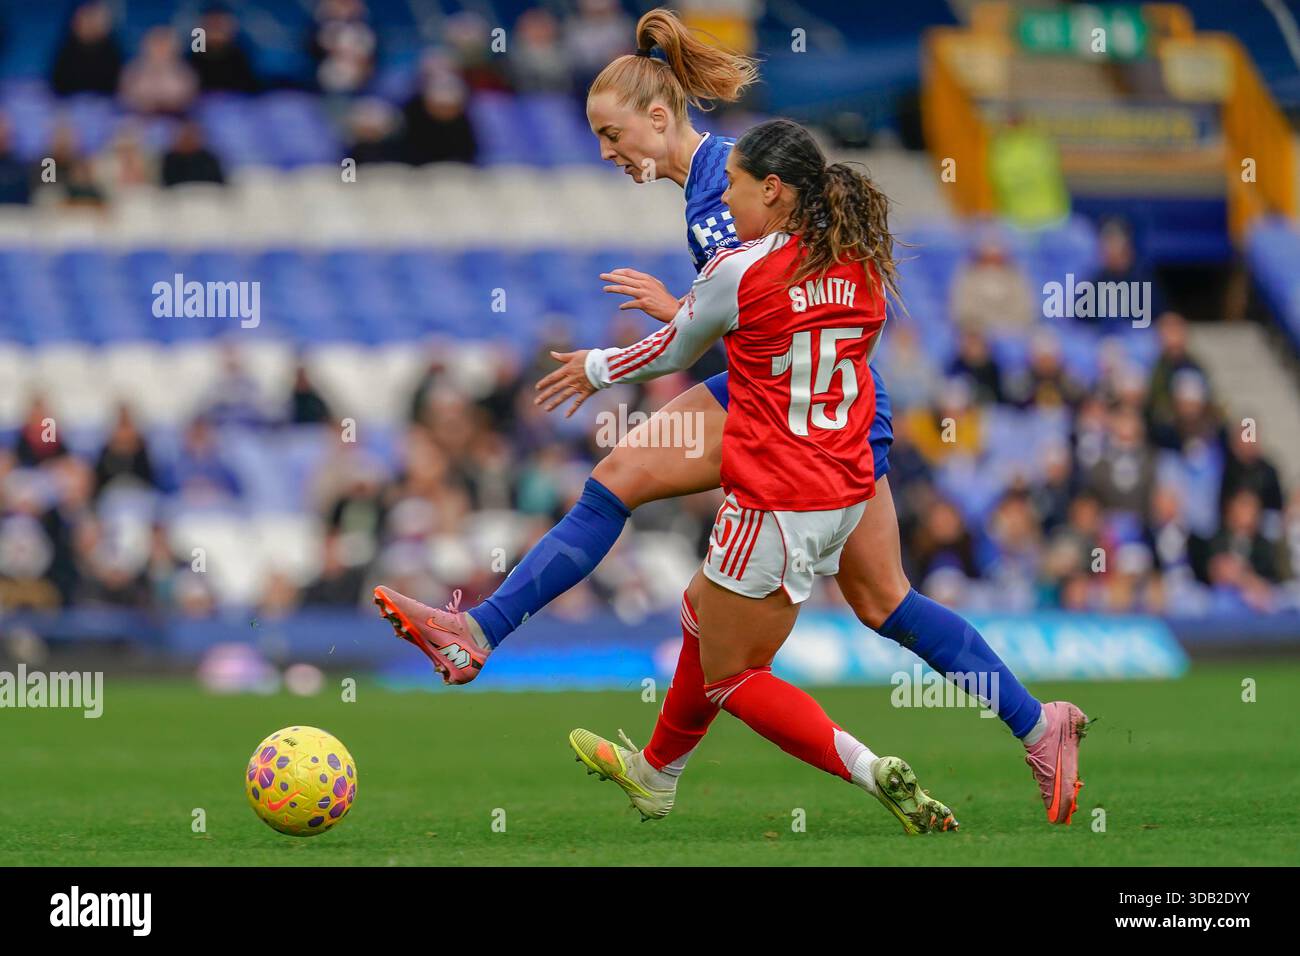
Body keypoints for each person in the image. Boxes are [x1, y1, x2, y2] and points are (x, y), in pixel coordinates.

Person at [373, 8, 1088, 826]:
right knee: (883, 600)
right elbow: (766, 300)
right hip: (839, 399)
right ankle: (1036, 722)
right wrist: (683, 309)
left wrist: (621, 354)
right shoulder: (721, 178)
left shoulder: (721, 196)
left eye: (613, 135)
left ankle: (483, 632)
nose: (609, 154)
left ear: (656, 116)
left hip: (776, 406)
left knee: (623, 499)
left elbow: (734, 309)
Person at [546, 118, 958, 831]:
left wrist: (593, 368)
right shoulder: (861, 265)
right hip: (842, 493)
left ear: (773, 189)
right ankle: (657, 773)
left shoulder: (738, 270)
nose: (724, 198)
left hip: (770, 494)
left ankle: (870, 768)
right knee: (701, 608)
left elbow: (675, 352)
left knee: (732, 676)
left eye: (734, 184)